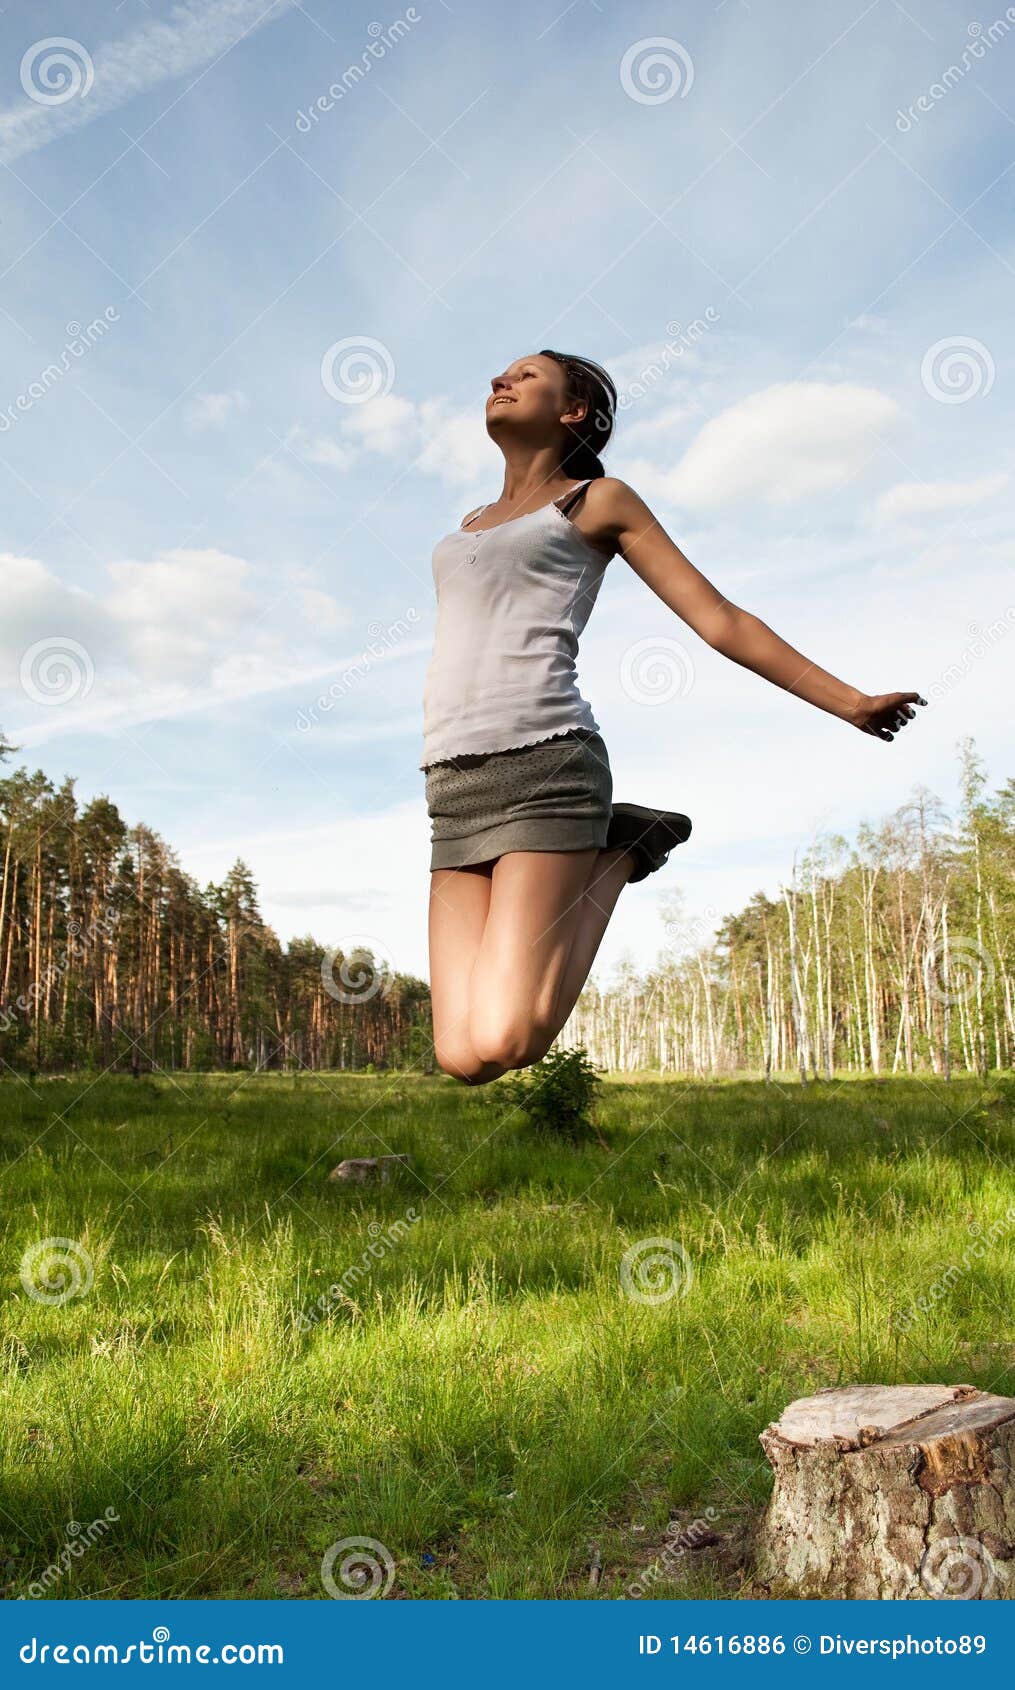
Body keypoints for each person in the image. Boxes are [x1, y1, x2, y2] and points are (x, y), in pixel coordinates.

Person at [420, 349, 924, 1085]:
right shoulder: (467, 525)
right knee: (462, 1058)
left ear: (574, 412)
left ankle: (624, 851)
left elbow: (719, 619)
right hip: (451, 780)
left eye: (526, 376)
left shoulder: (595, 501)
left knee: (504, 1037)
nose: (501, 381)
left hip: (545, 763)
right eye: (500, 374)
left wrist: (850, 702)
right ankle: (621, 841)